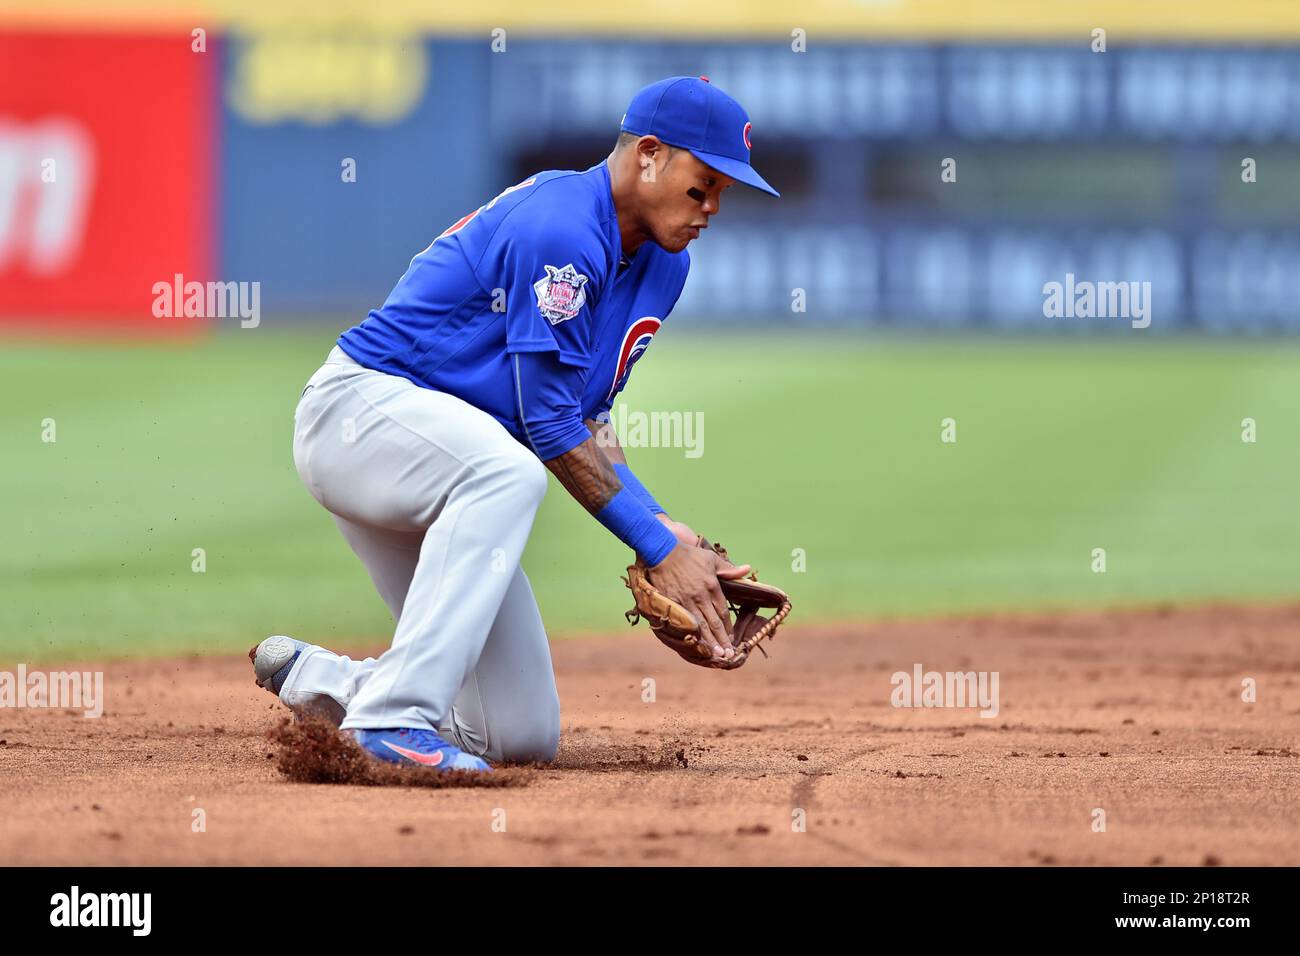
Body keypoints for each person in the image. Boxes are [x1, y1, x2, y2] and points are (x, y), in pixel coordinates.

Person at [250, 76, 779, 772]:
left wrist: (668, 530)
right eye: (701, 185)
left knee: (520, 735)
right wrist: (656, 547)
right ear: (649, 154)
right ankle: (391, 719)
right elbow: (548, 424)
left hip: (445, 471)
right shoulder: (562, 224)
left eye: (723, 194)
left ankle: (328, 682)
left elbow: (587, 419)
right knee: (509, 470)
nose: (711, 208)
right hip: (360, 418)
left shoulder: (661, 268)